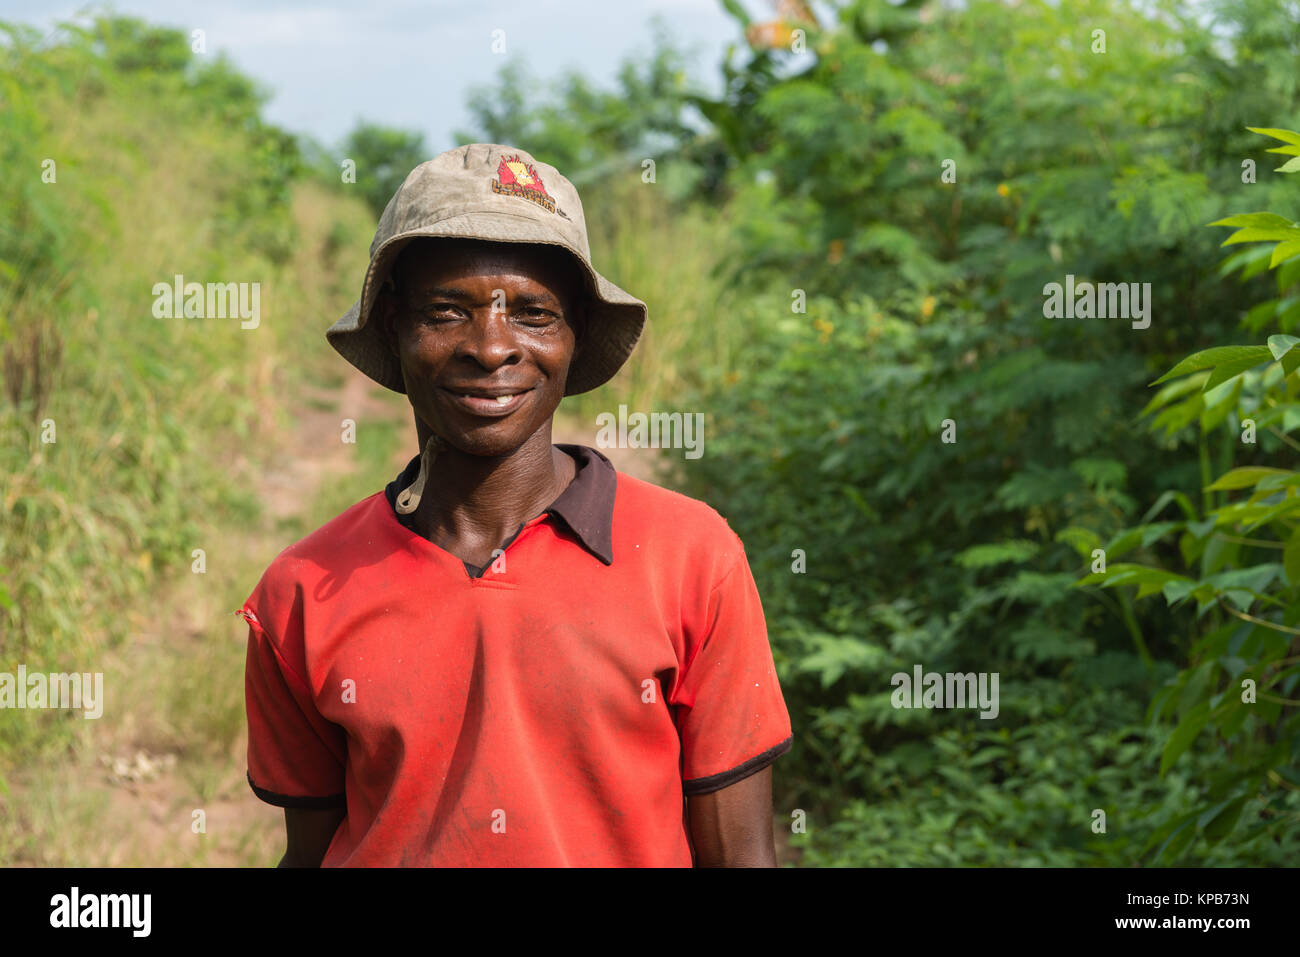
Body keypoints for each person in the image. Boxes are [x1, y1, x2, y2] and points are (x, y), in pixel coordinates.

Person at [239, 143, 793, 867]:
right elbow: (310, 853)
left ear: (575, 335)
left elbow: (742, 856)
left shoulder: (691, 558)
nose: (492, 347)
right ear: (395, 329)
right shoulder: (304, 590)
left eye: (533, 313)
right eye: (446, 313)